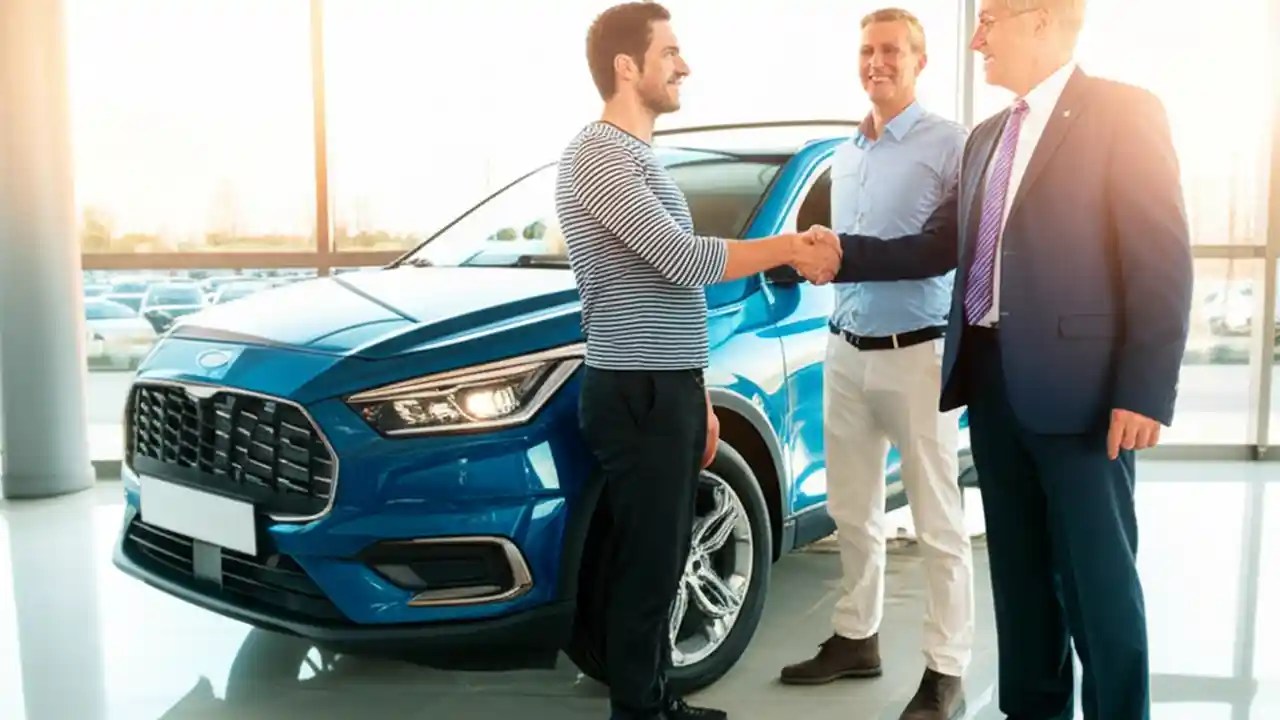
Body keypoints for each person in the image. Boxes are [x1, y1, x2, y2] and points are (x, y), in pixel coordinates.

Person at [802, 0, 1193, 717]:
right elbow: (941, 245)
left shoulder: (1123, 113)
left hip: (1084, 398)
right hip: (993, 385)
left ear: (1040, 21)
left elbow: (1161, 262)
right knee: (1018, 580)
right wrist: (843, 254)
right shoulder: (985, 138)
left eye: (990, 20)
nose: (977, 37)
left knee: (1097, 586)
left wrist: (1144, 389)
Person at [555, 4, 840, 719]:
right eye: (671, 51)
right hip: (635, 390)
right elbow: (681, 260)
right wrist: (788, 247)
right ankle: (640, 711)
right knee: (647, 566)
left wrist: (699, 396)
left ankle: (656, 700)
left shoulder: (639, 158)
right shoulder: (598, 154)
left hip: (668, 387)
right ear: (628, 66)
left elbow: (667, 296)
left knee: (662, 556)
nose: (684, 65)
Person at [777, 9, 974, 720]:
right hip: (845, 350)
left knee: (937, 521)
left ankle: (946, 671)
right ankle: (856, 639)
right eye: (867, 50)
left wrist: (845, 256)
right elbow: (839, 254)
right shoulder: (845, 154)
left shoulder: (949, 145)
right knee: (851, 512)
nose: (876, 62)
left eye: (892, 50)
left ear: (920, 61)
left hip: (916, 356)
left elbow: (940, 249)